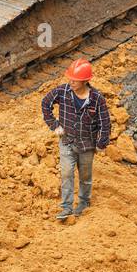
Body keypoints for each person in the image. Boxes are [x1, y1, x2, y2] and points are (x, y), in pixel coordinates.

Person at [40, 58, 111, 220]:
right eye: (70, 78)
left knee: (85, 176)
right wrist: (54, 125)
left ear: (85, 81)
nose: (71, 82)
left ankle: (84, 202)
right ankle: (66, 207)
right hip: (67, 142)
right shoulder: (62, 92)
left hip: (87, 145)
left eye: (75, 80)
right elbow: (45, 103)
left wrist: (102, 143)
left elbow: (105, 122)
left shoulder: (96, 99)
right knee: (66, 174)